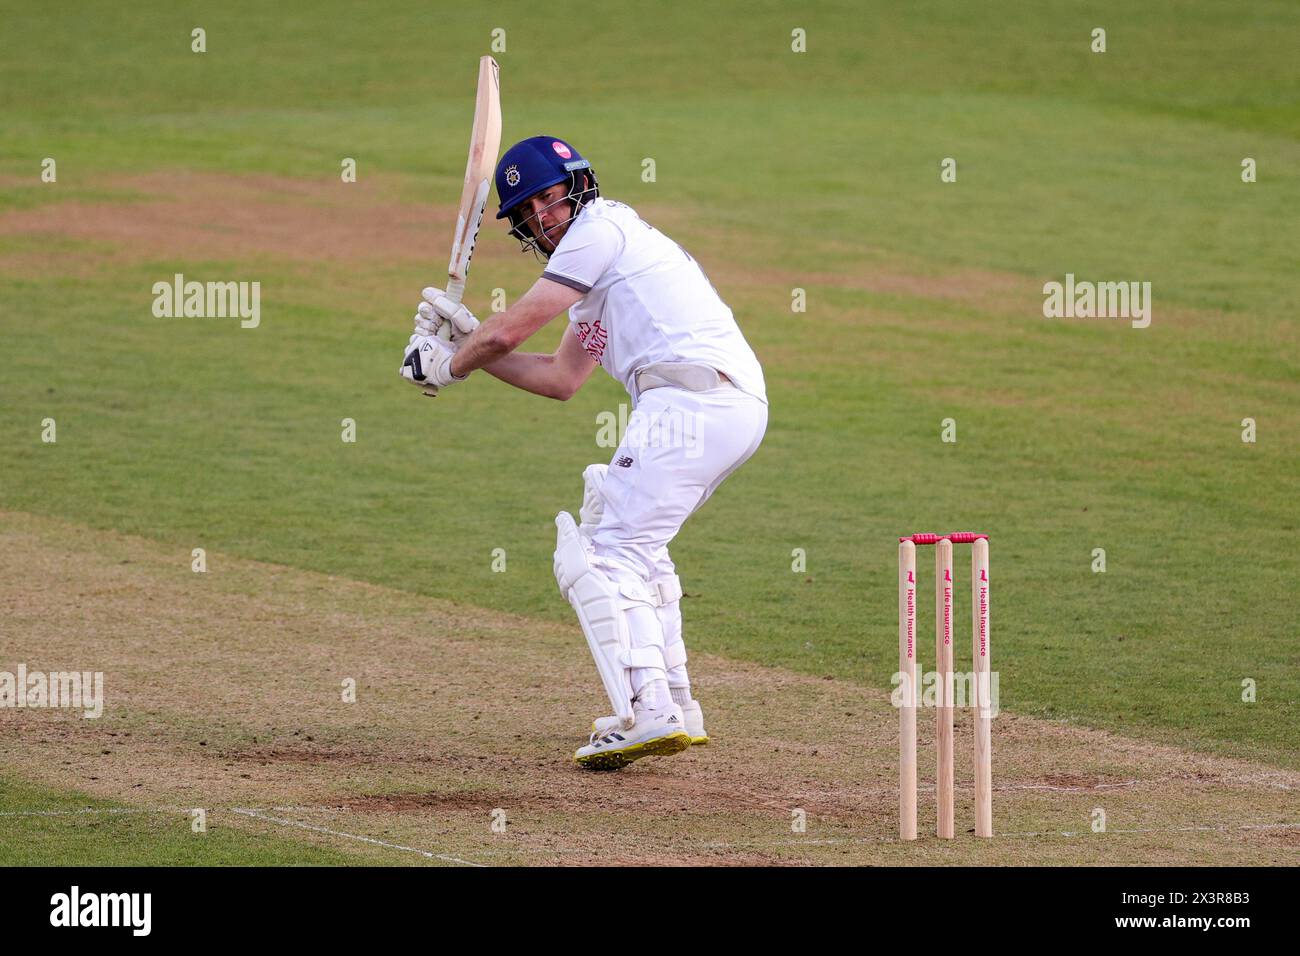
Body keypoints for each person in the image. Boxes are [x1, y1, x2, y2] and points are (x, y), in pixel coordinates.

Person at [401, 136, 768, 770]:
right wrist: (468, 346)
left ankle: (649, 711)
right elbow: (560, 377)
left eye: (548, 197)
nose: (542, 216)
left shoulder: (599, 231)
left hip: (690, 405)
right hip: (719, 407)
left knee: (602, 554)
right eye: (527, 211)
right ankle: (677, 705)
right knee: (633, 545)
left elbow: (512, 330)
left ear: (579, 185)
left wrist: (448, 365)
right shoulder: (600, 272)